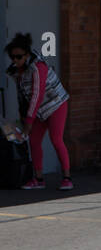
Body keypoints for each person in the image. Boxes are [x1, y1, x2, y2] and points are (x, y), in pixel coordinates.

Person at [5, 33, 72, 190]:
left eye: (19, 57)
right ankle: (39, 178)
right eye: (12, 57)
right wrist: (24, 118)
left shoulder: (38, 67)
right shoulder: (16, 71)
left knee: (56, 139)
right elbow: (22, 96)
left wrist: (29, 121)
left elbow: (37, 94)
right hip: (39, 110)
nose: (15, 60)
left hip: (56, 104)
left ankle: (67, 177)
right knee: (34, 141)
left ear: (27, 55)